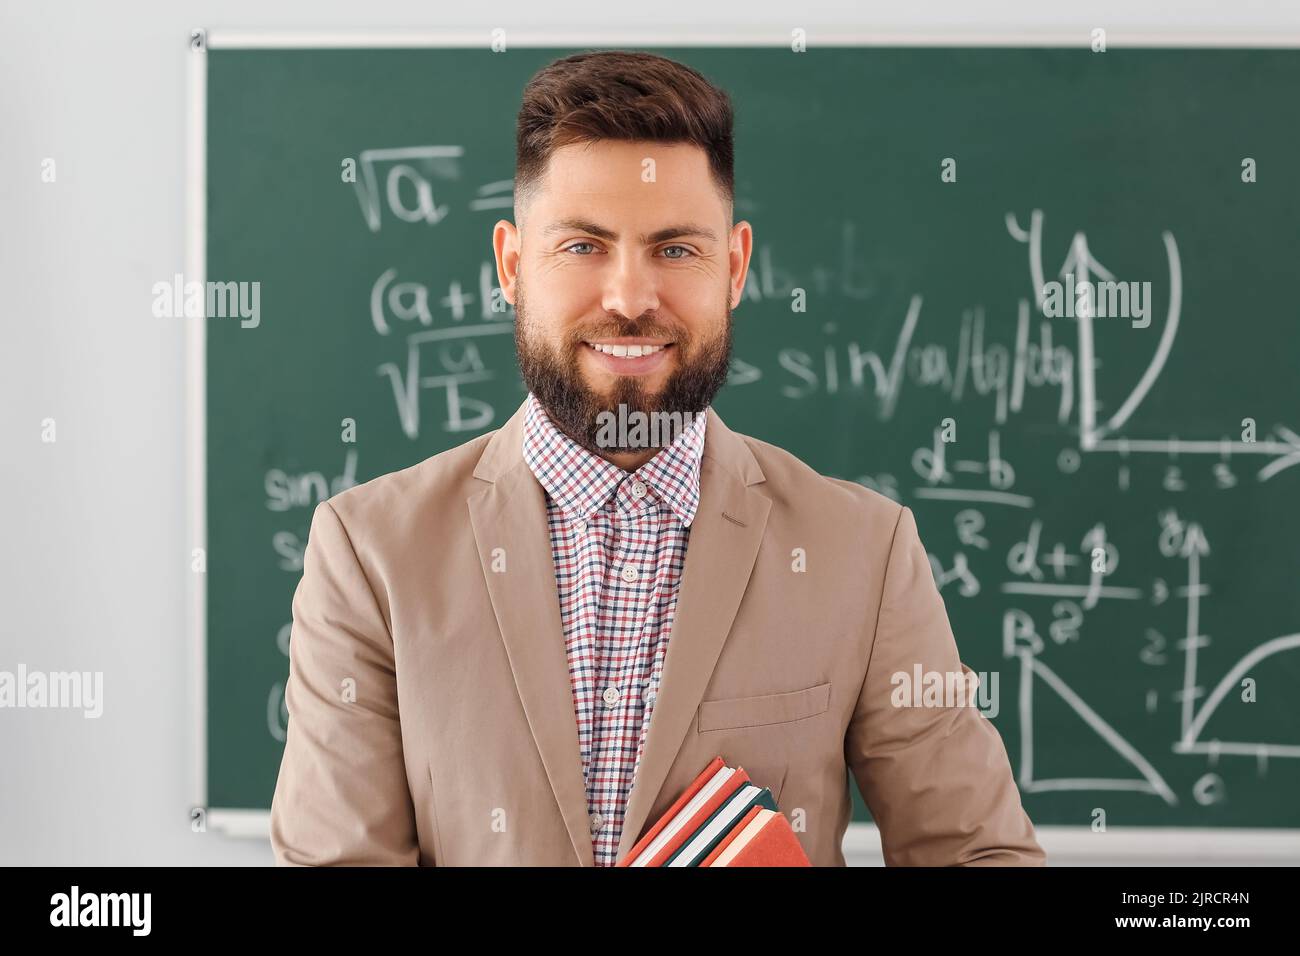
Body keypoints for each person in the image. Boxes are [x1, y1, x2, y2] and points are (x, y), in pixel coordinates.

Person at [270, 49, 1045, 867]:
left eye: (676, 250)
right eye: (582, 247)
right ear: (512, 265)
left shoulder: (865, 553)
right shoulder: (369, 554)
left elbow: (979, 856)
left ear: (736, 266)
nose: (631, 298)